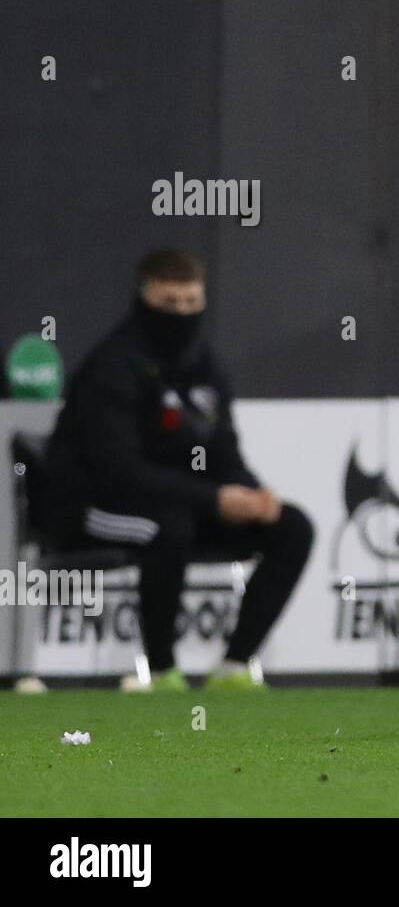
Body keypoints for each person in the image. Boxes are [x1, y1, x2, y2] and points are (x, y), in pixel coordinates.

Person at [43, 248, 313, 691]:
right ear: (145, 298)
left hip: (182, 505)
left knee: (292, 526)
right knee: (167, 527)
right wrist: (213, 499)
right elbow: (119, 473)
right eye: (170, 303)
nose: (182, 314)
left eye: (191, 302)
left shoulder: (205, 367)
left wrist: (251, 494)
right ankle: (162, 671)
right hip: (90, 506)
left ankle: (234, 668)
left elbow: (223, 452)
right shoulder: (114, 366)